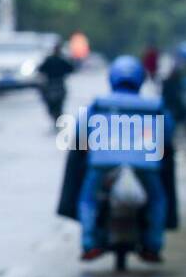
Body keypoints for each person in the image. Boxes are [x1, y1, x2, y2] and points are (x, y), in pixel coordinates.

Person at [55, 55, 179, 262]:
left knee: (87, 199)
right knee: (158, 198)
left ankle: (89, 243)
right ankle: (153, 245)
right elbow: (167, 135)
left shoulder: (98, 106)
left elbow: (79, 135)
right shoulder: (154, 106)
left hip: (102, 162)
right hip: (146, 164)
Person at [37, 40, 74, 122]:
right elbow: (71, 69)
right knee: (54, 104)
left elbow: (40, 69)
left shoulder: (54, 60)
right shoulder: (59, 60)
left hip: (55, 84)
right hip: (54, 84)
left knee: (55, 104)